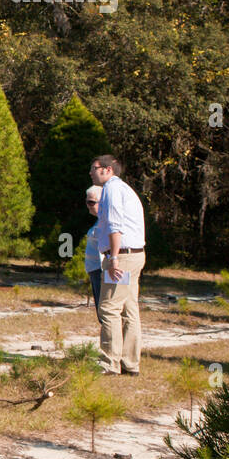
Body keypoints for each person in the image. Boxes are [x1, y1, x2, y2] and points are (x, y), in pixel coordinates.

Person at [90, 155, 146, 375]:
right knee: (129, 309)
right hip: (133, 255)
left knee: (109, 307)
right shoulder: (124, 189)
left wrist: (113, 258)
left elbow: (115, 226)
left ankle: (109, 362)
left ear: (107, 170)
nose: (91, 173)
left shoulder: (112, 190)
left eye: (93, 168)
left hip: (122, 257)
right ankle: (130, 363)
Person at [84, 185, 103, 309]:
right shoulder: (99, 221)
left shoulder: (105, 222)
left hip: (101, 271)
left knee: (104, 310)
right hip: (95, 270)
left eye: (91, 202)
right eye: (87, 202)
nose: (88, 205)